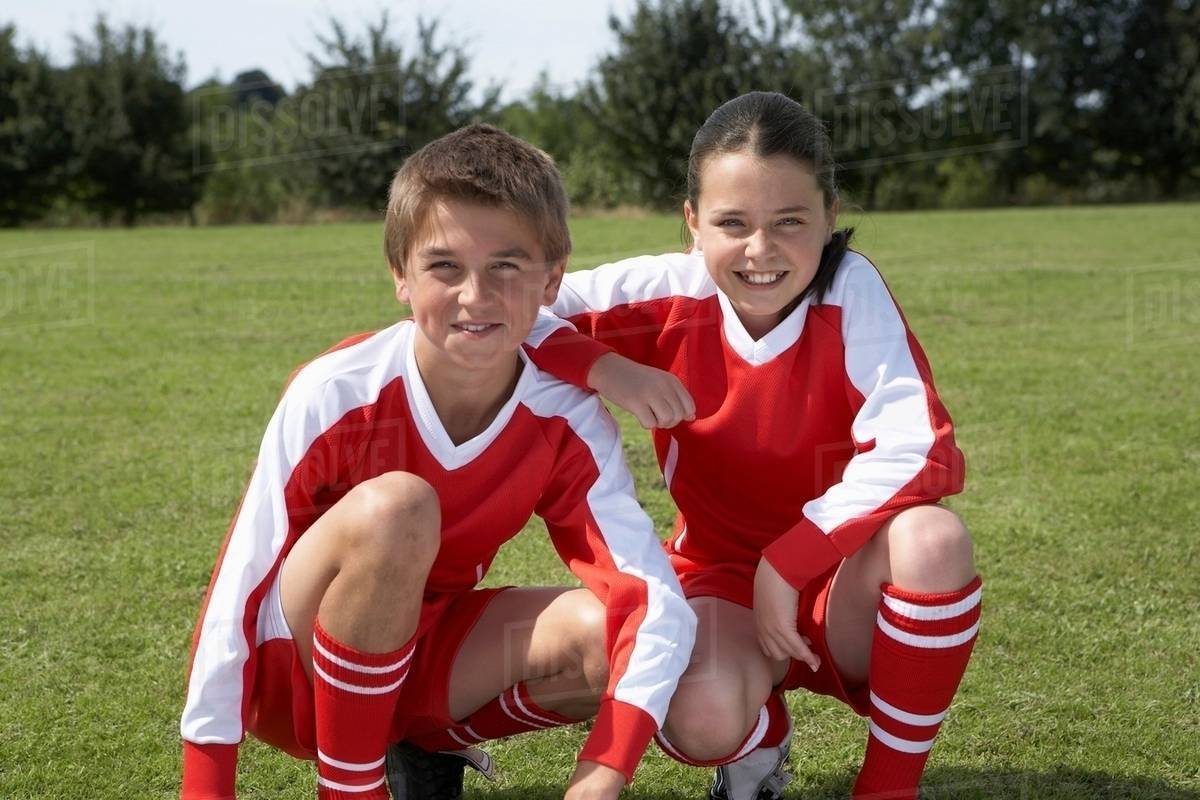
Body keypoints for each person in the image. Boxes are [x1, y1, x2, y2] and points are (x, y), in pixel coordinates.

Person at [179, 124, 697, 800]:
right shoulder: (338, 391)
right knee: (397, 507)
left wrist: (605, 770)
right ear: (400, 273)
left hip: (423, 657)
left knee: (603, 635)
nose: (475, 295)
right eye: (445, 266)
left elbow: (650, 599)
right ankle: (351, 785)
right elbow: (238, 585)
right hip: (295, 674)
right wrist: (206, 783)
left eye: (506, 266)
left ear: (552, 279)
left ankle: (423, 746)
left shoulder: (565, 417)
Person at [524, 92, 981, 800]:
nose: (760, 251)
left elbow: (919, 446)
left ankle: (888, 787)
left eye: (790, 221)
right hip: (722, 577)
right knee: (700, 717)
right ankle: (760, 743)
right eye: (732, 223)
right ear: (693, 223)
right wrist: (607, 368)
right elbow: (516, 303)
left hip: (838, 579)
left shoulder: (850, 290)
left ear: (829, 215)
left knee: (933, 541)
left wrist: (790, 560)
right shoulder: (668, 290)